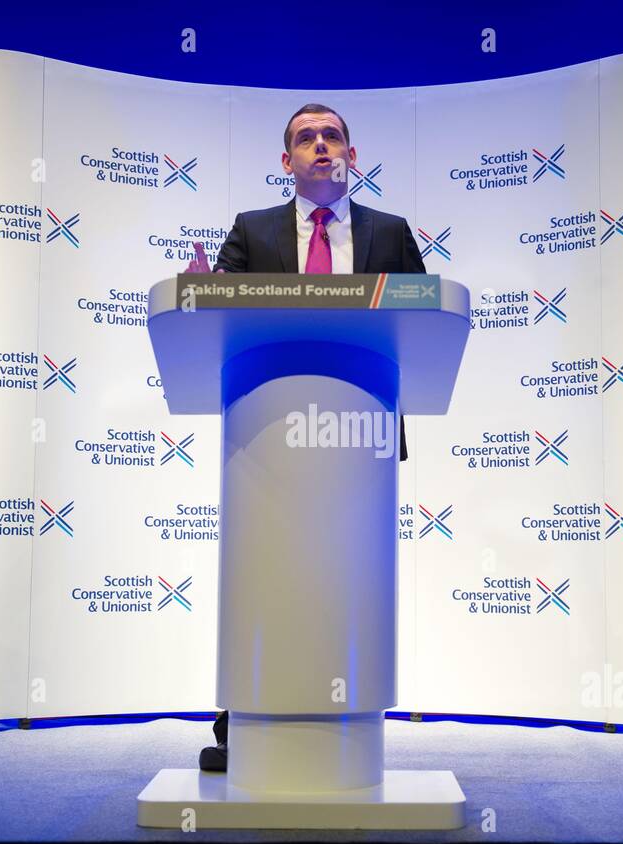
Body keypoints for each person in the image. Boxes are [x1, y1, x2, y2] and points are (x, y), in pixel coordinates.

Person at [185, 102, 427, 772]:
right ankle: (247, 715)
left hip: (359, 437)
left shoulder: (391, 231)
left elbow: (425, 316)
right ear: (285, 160)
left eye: (333, 136)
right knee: (272, 562)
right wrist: (206, 293)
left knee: (342, 569)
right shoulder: (252, 231)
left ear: (352, 153)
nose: (321, 145)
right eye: (305, 138)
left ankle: (350, 718)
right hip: (269, 441)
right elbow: (215, 308)